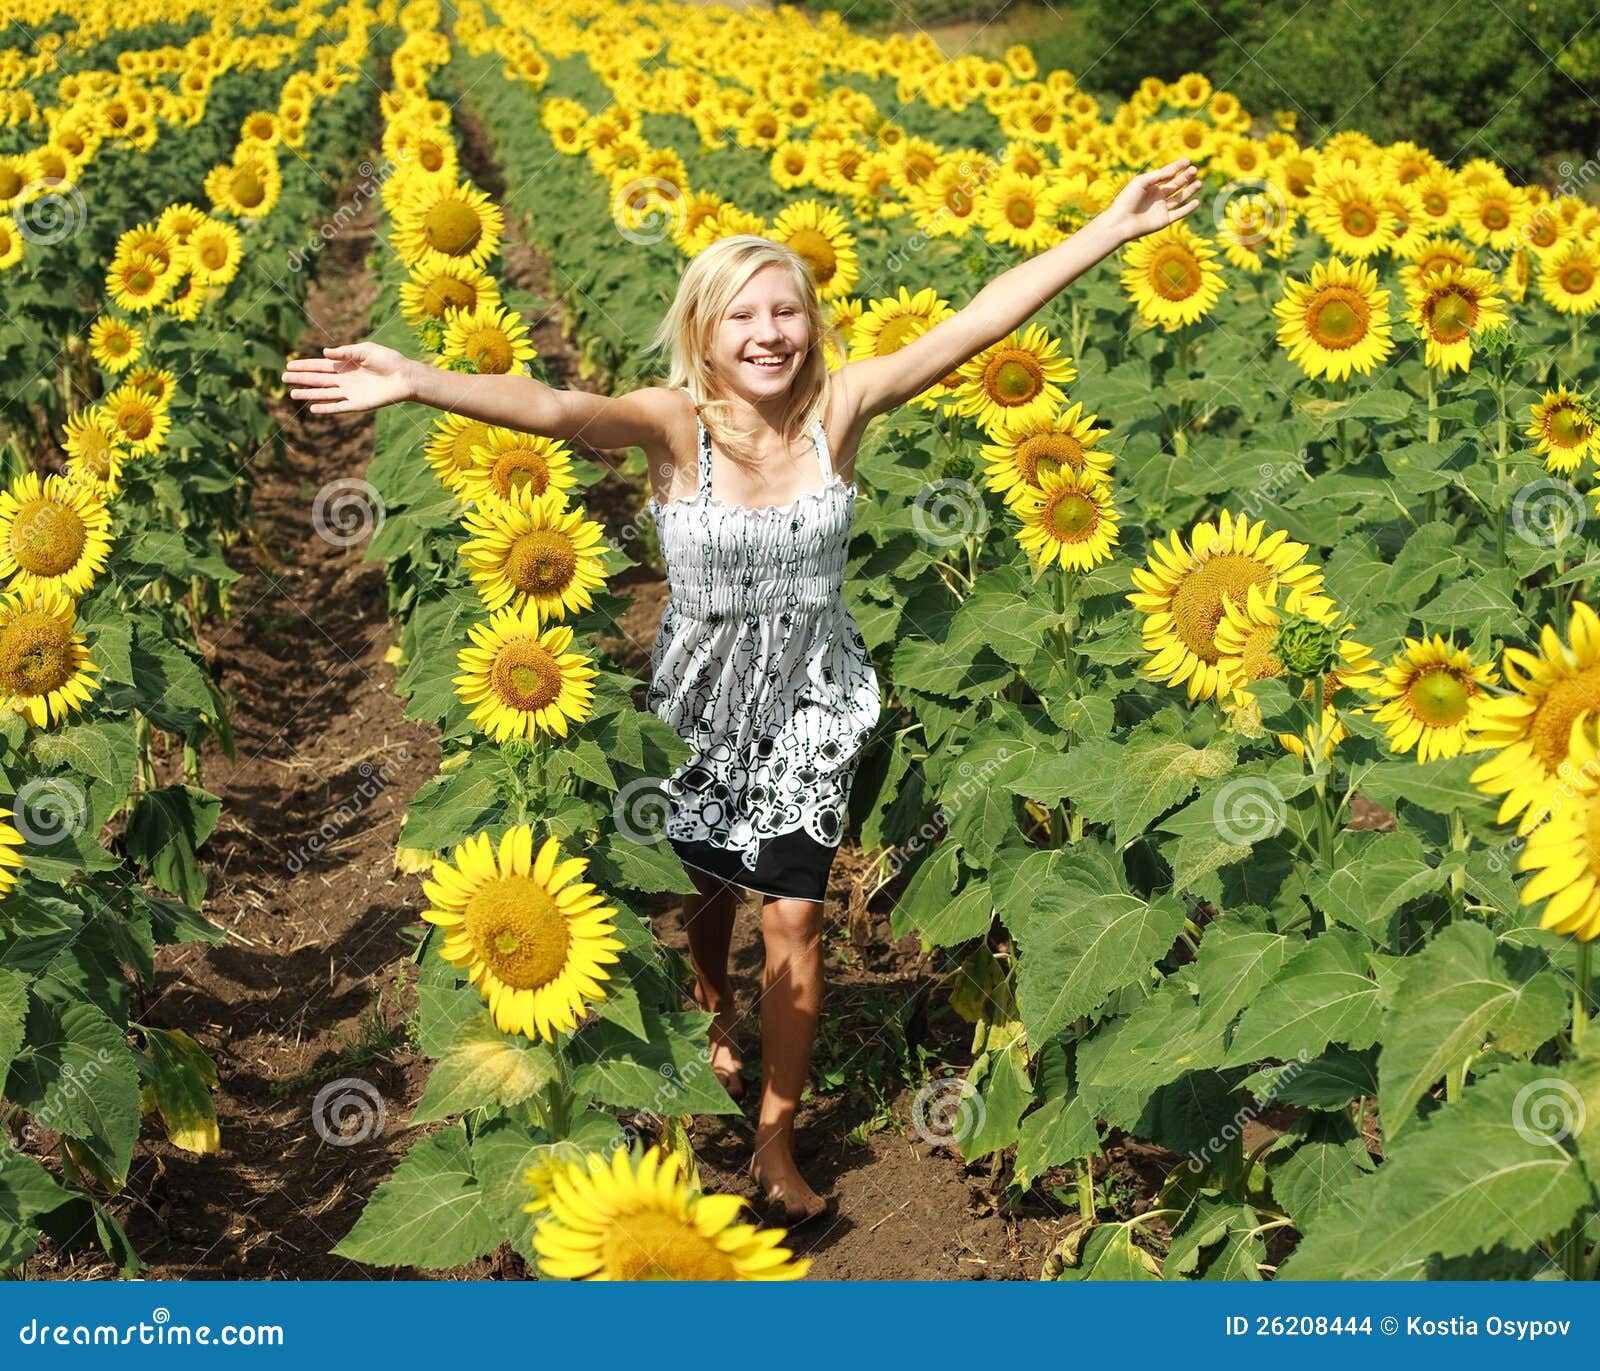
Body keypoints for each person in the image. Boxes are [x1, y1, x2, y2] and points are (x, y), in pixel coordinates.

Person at [279, 155, 1202, 1226]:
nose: (770, 334)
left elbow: (977, 324)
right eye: (744, 317)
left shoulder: (840, 409)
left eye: (788, 312)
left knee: (796, 918)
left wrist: (1110, 228)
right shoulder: (677, 426)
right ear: (705, 334)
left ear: (811, 323)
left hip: (815, 700)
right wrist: (416, 377)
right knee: (704, 890)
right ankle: (712, 1010)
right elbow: (550, 403)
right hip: (697, 704)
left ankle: (774, 1141)